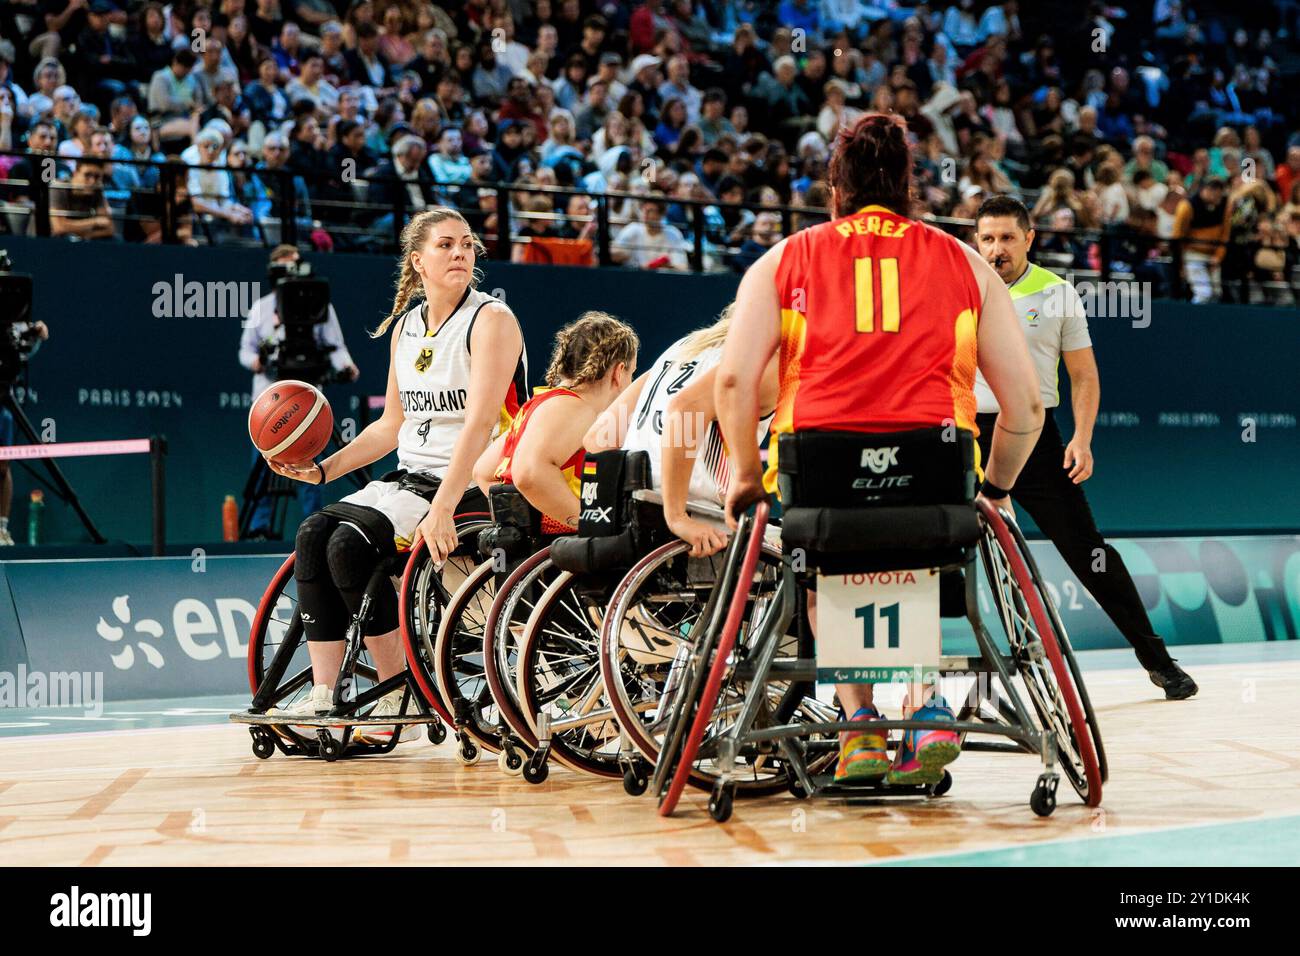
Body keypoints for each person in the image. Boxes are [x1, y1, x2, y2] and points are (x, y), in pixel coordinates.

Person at [714, 112, 1044, 785]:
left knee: (829, 560)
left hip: (820, 483)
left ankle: (859, 724)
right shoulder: (964, 262)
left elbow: (731, 379)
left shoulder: (786, 258)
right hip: (935, 479)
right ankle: (925, 711)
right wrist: (998, 488)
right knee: (911, 557)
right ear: (908, 185)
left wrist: (746, 477)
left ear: (837, 189)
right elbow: (1028, 406)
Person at [264, 207, 527, 740]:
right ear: (418, 262)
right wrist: (322, 470)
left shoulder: (491, 320)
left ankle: (397, 693)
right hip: (413, 479)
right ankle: (324, 692)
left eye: (467, 244)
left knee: (349, 548)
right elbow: (391, 425)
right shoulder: (406, 327)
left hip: (480, 483)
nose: (460, 253)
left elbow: (480, 423)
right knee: (314, 533)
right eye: (446, 245)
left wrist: (447, 505)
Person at [972, 195, 1198, 699]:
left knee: (1087, 551)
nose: (996, 249)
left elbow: (1083, 375)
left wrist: (1082, 437)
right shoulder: (960, 289)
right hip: (965, 436)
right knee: (941, 550)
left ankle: (1158, 661)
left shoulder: (1057, 294)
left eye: (1007, 237)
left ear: (1029, 239)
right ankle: (952, 695)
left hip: (1033, 435)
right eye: (987, 238)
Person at [586, 304, 779, 557]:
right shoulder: (762, 362)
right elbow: (685, 412)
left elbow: (598, 438)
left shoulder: (684, 348)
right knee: (794, 553)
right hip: (691, 510)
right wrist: (676, 516)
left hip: (630, 502)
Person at [473, 312, 639, 533]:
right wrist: (583, 522)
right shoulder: (577, 408)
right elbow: (528, 475)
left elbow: (483, 472)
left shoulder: (540, 403)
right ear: (619, 372)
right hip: (559, 544)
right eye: (632, 373)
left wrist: (522, 520)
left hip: (532, 547)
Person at [238, 245, 359, 538]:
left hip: (308, 401)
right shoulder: (262, 308)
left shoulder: (320, 303)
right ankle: (258, 528)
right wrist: (261, 355)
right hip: (271, 400)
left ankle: (314, 524)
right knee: (265, 464)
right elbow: (246, 351)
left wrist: (347, 366)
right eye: (283, 268)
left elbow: (335, 345)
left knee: (310, 458)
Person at [0, 320, 50, 546]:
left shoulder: (12, 322)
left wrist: (36, 334)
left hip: (2, 405)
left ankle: (1, 529)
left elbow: (23, 350)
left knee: (2, 466)